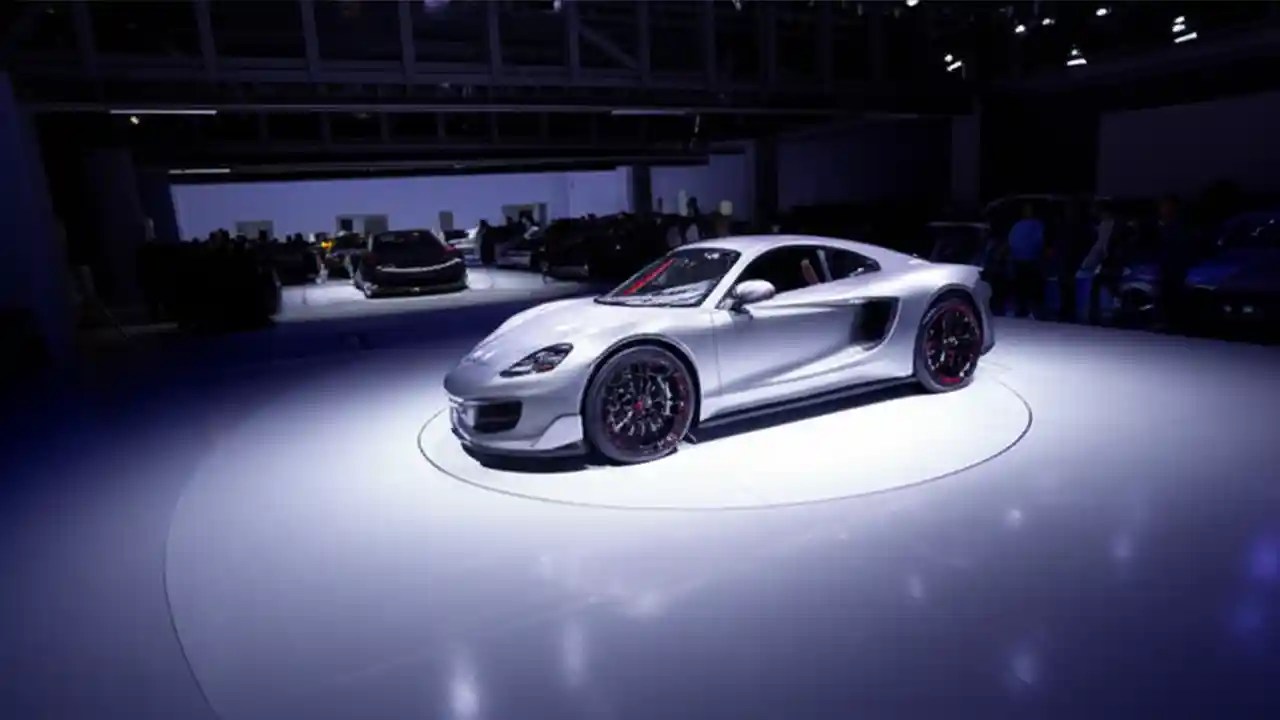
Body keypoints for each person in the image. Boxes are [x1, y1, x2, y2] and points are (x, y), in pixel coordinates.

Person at [1156, 195, 1194, 329]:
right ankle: (1169, 321)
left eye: (1166, 205)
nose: (1163, 208)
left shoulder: (1178, 225)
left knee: (1174, 293)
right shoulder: (1165, 224)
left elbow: (1180, 245)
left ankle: (1175, 322)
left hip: (1176, 266)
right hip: (1167, 265)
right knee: (1167, 293)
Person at [1007, 204, 1046, 318]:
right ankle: (1029, 310)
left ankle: (1025, 309)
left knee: (1024, 288)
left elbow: (1011, 242)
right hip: (1028, 261)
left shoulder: (1019, 226)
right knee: (1028, 288)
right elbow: (1040, 241)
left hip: (1024, 261)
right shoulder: (1036, 225)